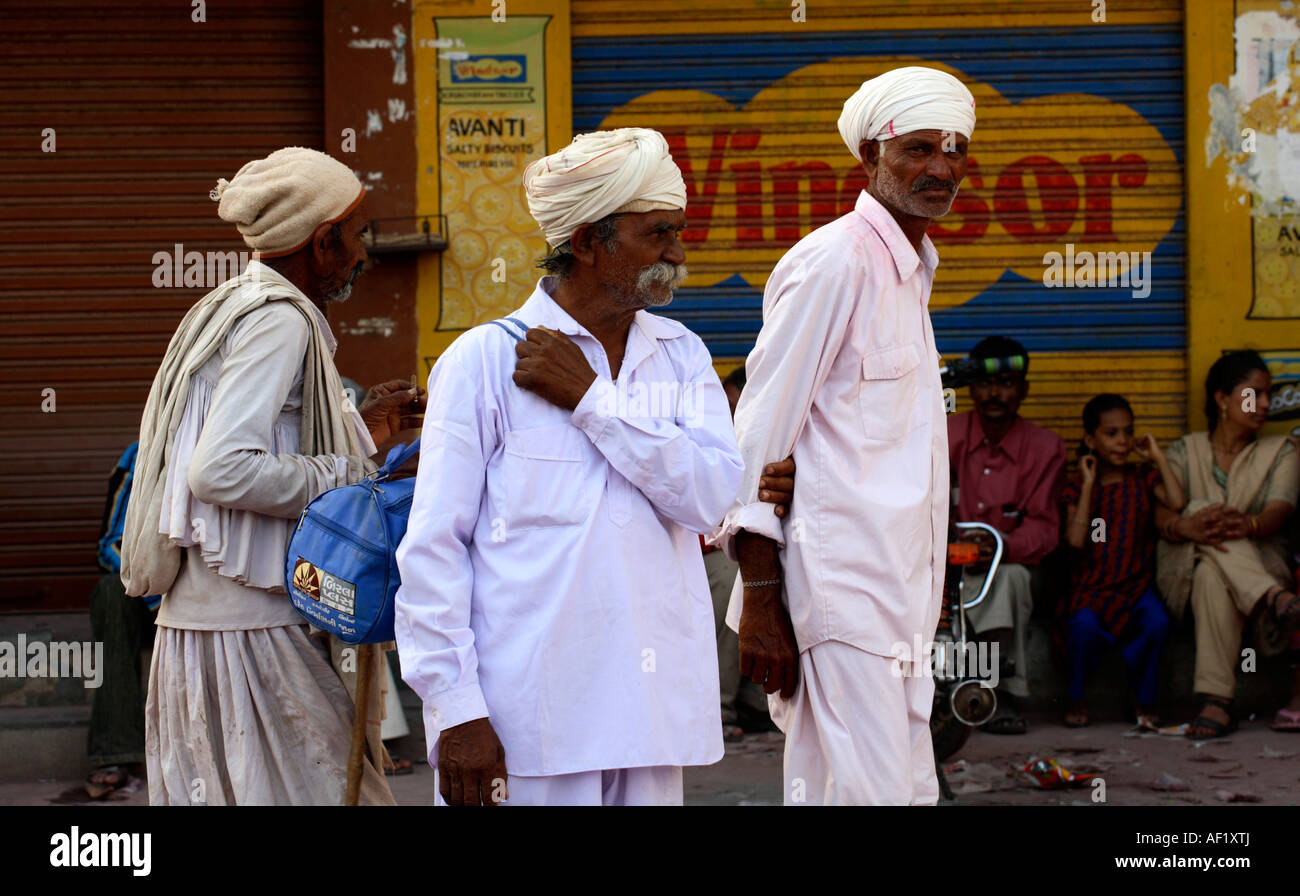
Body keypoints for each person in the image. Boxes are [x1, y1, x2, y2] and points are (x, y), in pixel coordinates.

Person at [394, 128, 747, 806]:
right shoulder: (483, 362)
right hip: (525, 726)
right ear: (588, 242)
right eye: (658, 234)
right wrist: (457, 708)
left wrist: (594, 404)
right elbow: (434, 551)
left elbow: (710, 501)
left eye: (678, 231)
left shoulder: (682, 356)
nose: (678, 252)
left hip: (649, 723)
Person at [120, 147, 421, 804]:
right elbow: (221, 470)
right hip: (248, 633)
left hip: (219, 626)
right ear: (322, 243)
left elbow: (260, 437)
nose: (364, 252)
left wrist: (362, 430)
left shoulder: (231, 303)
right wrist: (346, 472)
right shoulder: (278, 321)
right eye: (357, 234)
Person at [712, 66, 975, 805]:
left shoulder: (913, 268)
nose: (939, 168)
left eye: (953, 151)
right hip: (842, 595)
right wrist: (761, 598)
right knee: (870, 794)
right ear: (870, 156)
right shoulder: (834, 262)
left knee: (895, 789)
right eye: (917, 148)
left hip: (901, 599)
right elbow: (759, 438)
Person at [1155, 350, 1300, 739]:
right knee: (1201, 517)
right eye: (1255, 394)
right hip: (1182, 572)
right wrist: (1186, 527)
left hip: (1258, 562)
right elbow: (1159, 515)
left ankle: (1216, 703)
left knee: (1211, 575)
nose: (1266, 404)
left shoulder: (1281, 451)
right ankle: (1277, 600)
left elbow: (1279, 513)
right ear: (1222, 399)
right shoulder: (1185, 451)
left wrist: (1248, 524)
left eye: (1269, 395)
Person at [948, 336, 1066, 734]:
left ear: (1024, 390)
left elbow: (1044, 528)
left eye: (1007, 383)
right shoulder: (943, 436)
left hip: (1007, 563)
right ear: (970, 388)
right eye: (984, 384)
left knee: (1010, 580)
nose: (994, 393)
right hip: (944, 558)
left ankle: (997, 690)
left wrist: (998, 547)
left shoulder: (1046, 448)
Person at [1059, 394, 1185, 728]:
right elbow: (1075, 540)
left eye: (1128, 433)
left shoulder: (1142, 478)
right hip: (1093, 587)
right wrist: (1088, 485)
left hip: (1135, 587)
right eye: (1111, 434)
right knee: (1083, 628)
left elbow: (1177, 501)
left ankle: (1142, 699)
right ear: (1090, 439)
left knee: (1157, 623)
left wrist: (1157, 456)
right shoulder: (1076, 488)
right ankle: (1075, 696)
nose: (1123, 442)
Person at [706, 366, 778, 741]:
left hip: (735, 549)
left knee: (737, 584)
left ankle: (741, 703)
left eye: (739, 406)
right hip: (697, 547)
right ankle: (718, 707)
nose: (731, 415)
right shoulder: (702, 430)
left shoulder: (772, 440)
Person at [85, 443, 158, 799]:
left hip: (215, 598)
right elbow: (110, 545)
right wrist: (156, 595)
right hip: (149, 597)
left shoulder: (237, 446)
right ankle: (115, 754)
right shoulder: (141, 453)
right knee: (111, 592)